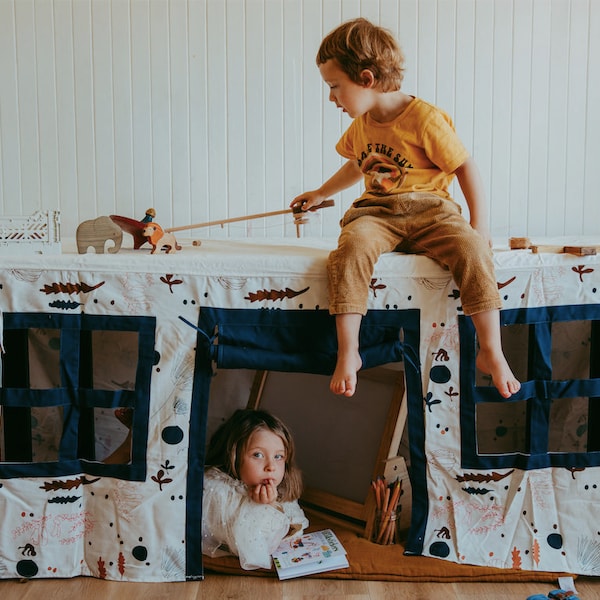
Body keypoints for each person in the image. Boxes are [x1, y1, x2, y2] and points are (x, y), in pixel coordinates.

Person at [291, 18, 521, 400]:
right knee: (350, 249)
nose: (332, 98)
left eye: (335, 86)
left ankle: (491, 350)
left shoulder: (424, 119)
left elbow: (464, 165)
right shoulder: (362, 124)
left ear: (366, 78)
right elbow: (356, 164)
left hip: (431, 211)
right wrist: (319, 192)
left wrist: (479, 224)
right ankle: (349, 351)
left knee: (472, 251)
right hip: (377, 214)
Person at [201, 408, 309, 570]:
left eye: (278, 456)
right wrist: (266, 507)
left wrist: (274, 504)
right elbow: (254, 547)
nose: (271, 466)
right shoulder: (218, 492)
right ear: (234, 456)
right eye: (258, 455)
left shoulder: (277, 486)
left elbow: (295, 524)